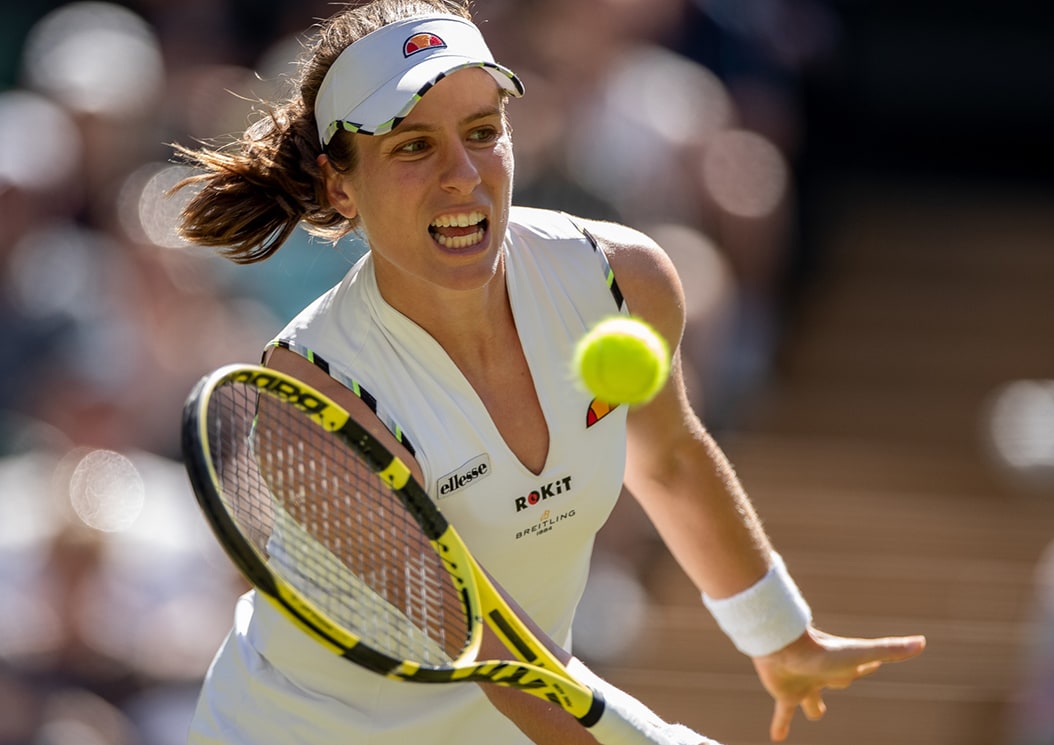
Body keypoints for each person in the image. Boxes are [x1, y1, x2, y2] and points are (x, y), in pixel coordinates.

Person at [171, 1, 925, 743]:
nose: (462, 174)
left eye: (482, 132)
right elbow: (493, 655)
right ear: (341, 185)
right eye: (412, 147)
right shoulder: (319, 398)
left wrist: (780, 636)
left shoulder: (622, 279)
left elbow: (668, 461)